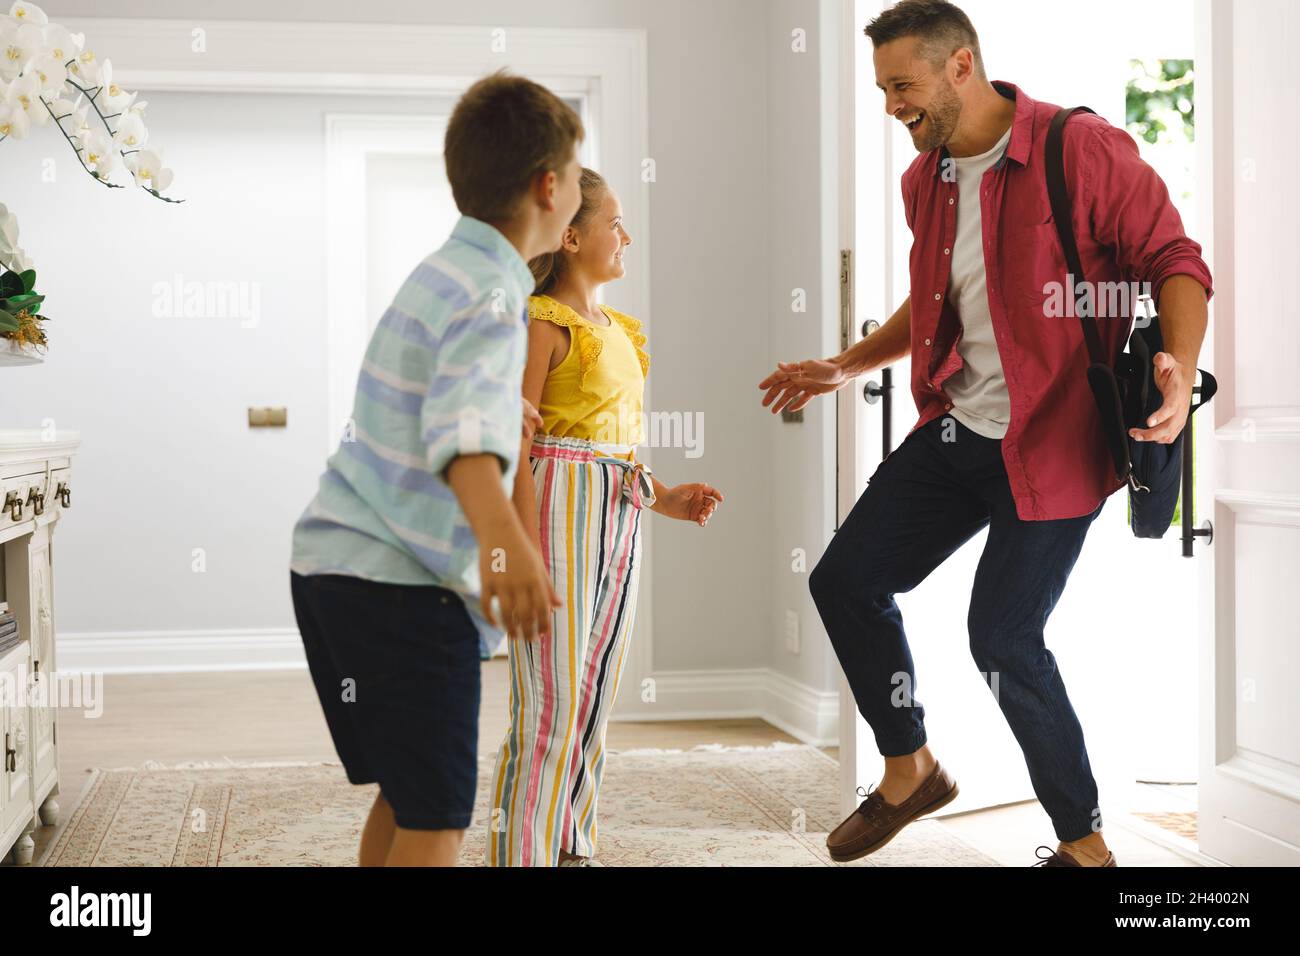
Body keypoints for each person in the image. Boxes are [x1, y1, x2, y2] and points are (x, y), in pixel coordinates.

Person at [758, 0, 1211, 867]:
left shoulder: (1079, 149)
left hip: (1058, 441)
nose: (893, 104)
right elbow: (936, 304)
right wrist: (847, 364)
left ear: (960, 64)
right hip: (961, 429)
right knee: (846, 580)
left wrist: (1180, 364)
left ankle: (1083, 849)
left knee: (1003, 640)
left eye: (904, 85)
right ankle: (910, 770)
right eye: (884, 88)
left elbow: (1173, 258)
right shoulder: (924, 180)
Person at [288, 70, 584, 867]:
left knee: (408, 792)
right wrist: (509, 549)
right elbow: (462, 440)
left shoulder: (439, 273)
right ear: (549, 186)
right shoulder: (494, 294)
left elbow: (438, 412)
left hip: (331, 571)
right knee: (440, 817)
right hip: (400, 590)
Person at [487, 167, 724, 867]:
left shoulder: (616, 329)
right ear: (569, 236)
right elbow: (518, 439)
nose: (627, 235)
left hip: (617, 509)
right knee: (551, 699)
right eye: (613, 222)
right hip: (555, 505)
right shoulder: (541, 324)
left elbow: (611, 443)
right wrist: (521, 549)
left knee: (593, 694)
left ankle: (570, 844)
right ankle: (520, 853)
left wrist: (666, 496)